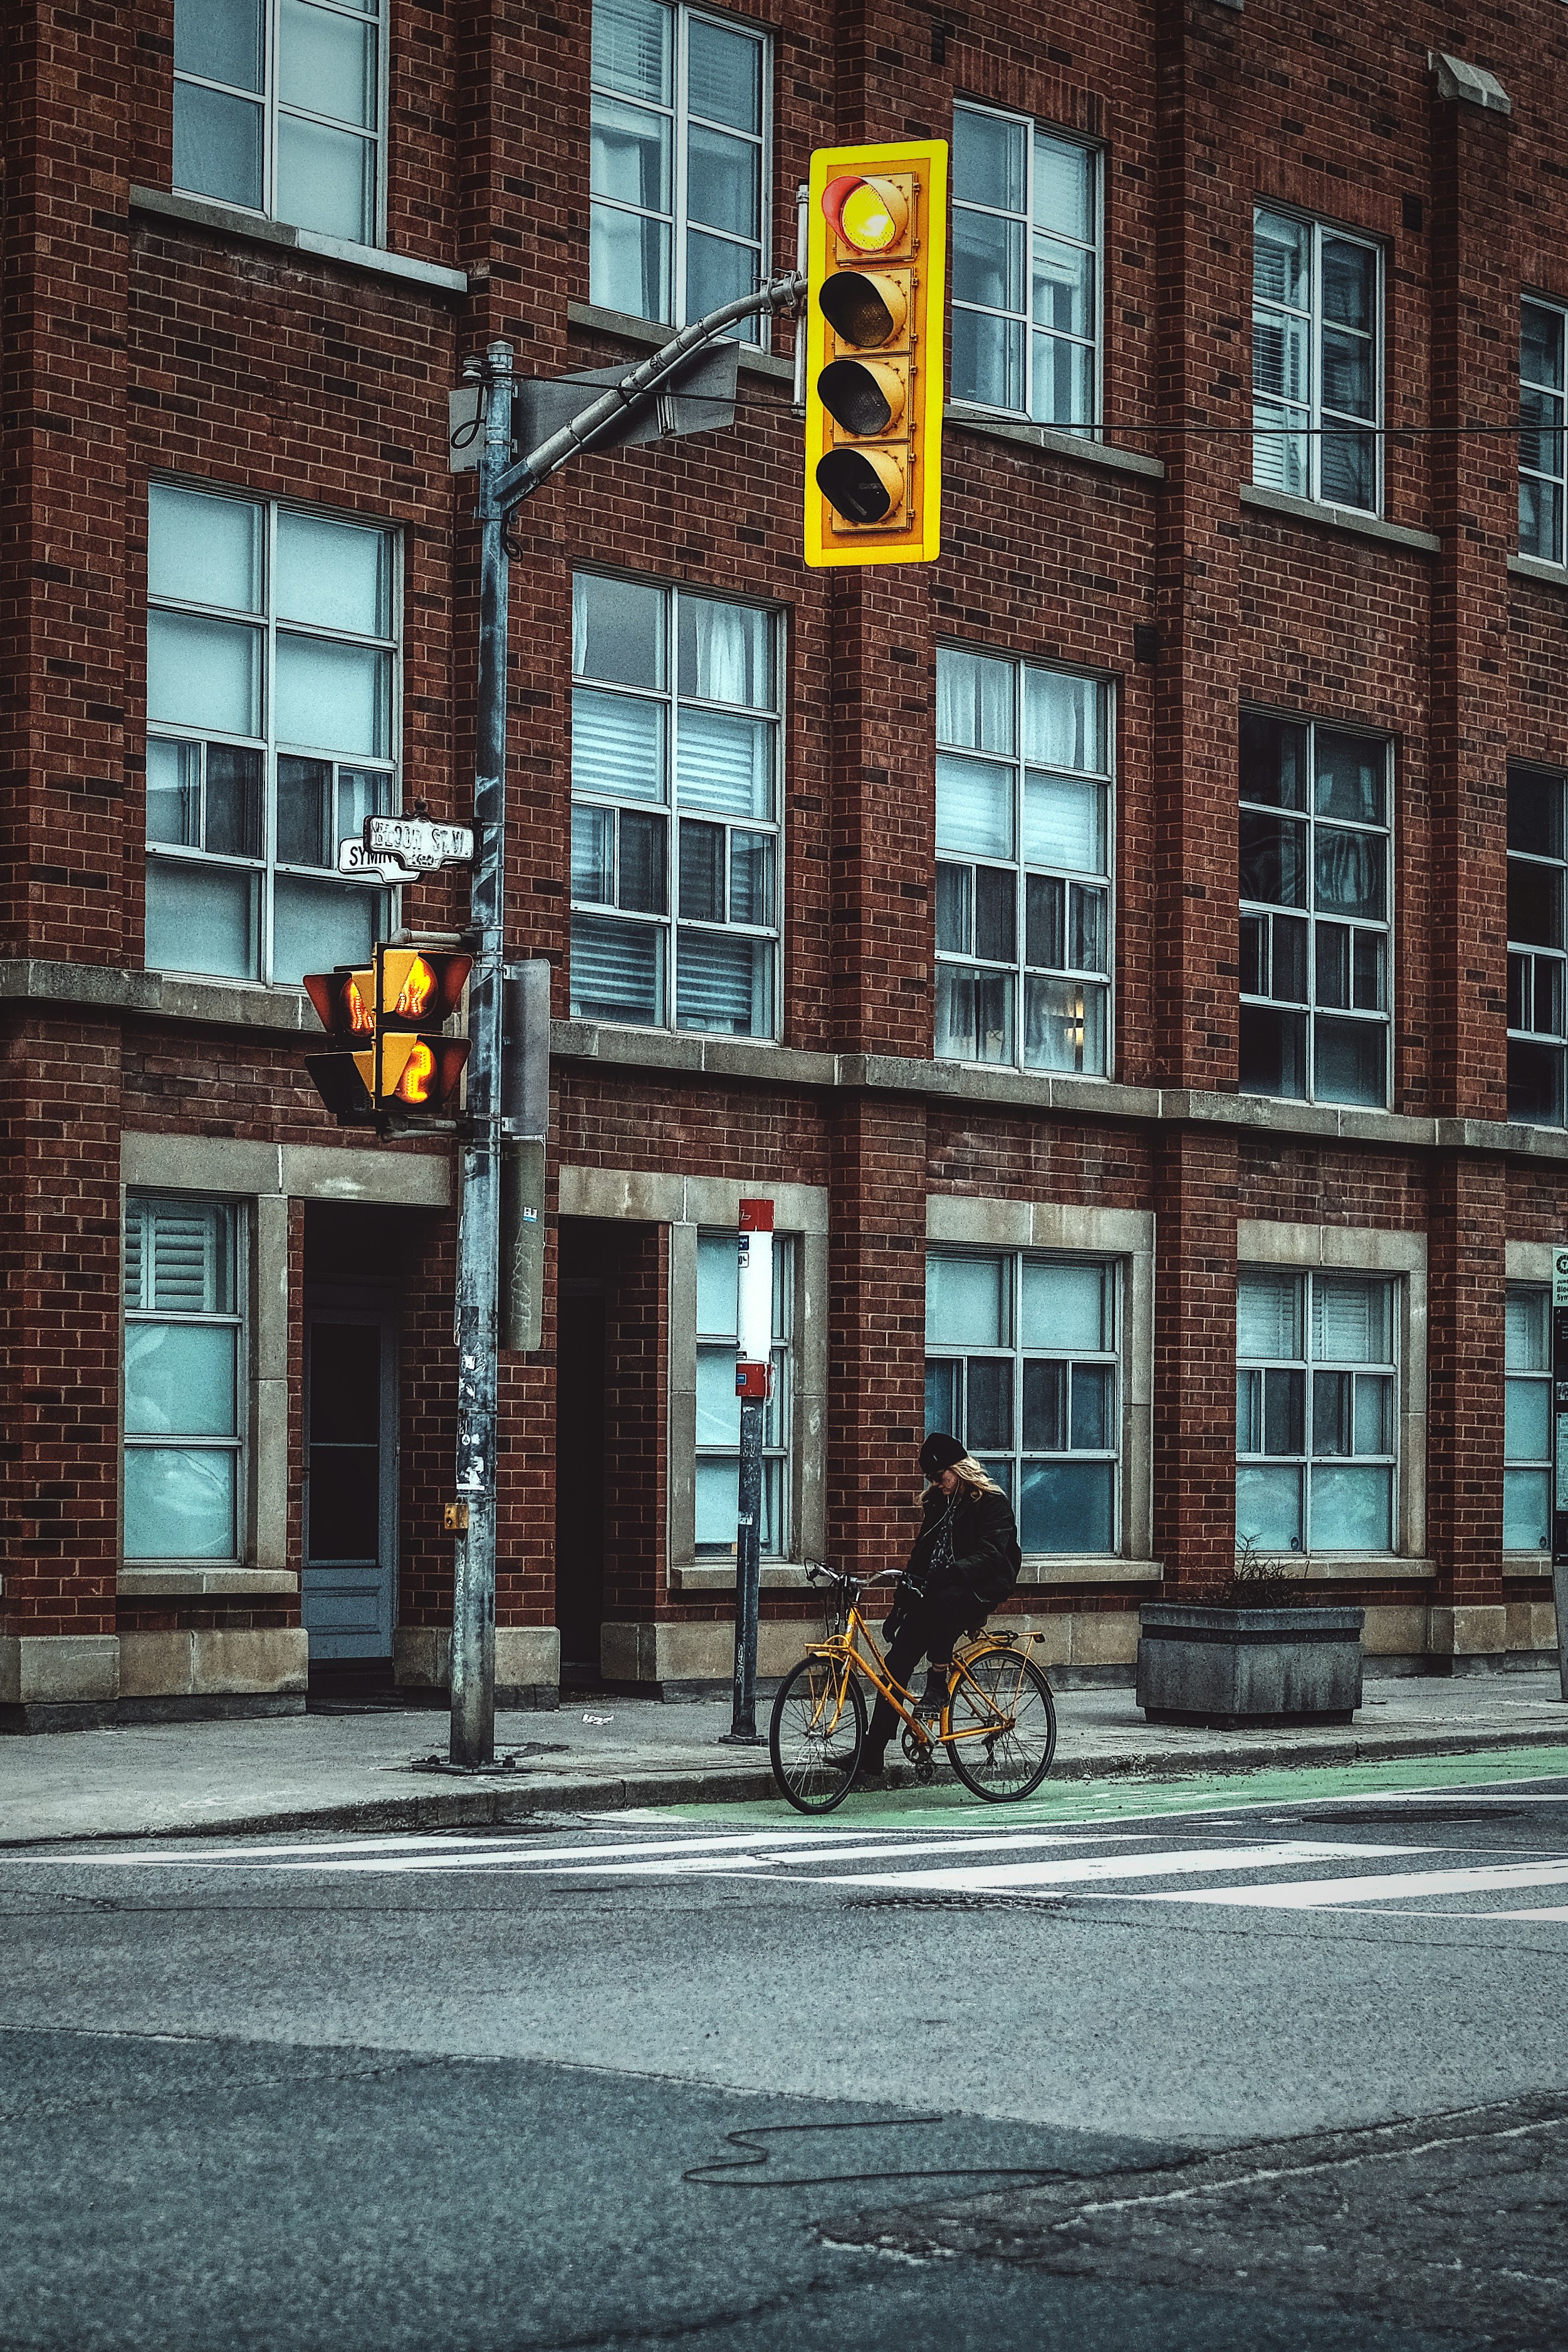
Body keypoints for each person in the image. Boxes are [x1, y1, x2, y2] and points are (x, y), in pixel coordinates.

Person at [854, 1432, 1022, 1783]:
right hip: (938, 1590)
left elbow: (992, 1556)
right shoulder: (938, 1503)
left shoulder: (991, 1502)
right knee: (897, 1663)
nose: (936, 1484)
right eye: (931, 1479)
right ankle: (871, 1752)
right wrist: (899, 1607)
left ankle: (937, 1681)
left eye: (940, 1477)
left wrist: (953, 1573)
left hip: (982, 1585)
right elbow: (920, 1557)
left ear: (959, 1470)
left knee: (946, 1601)